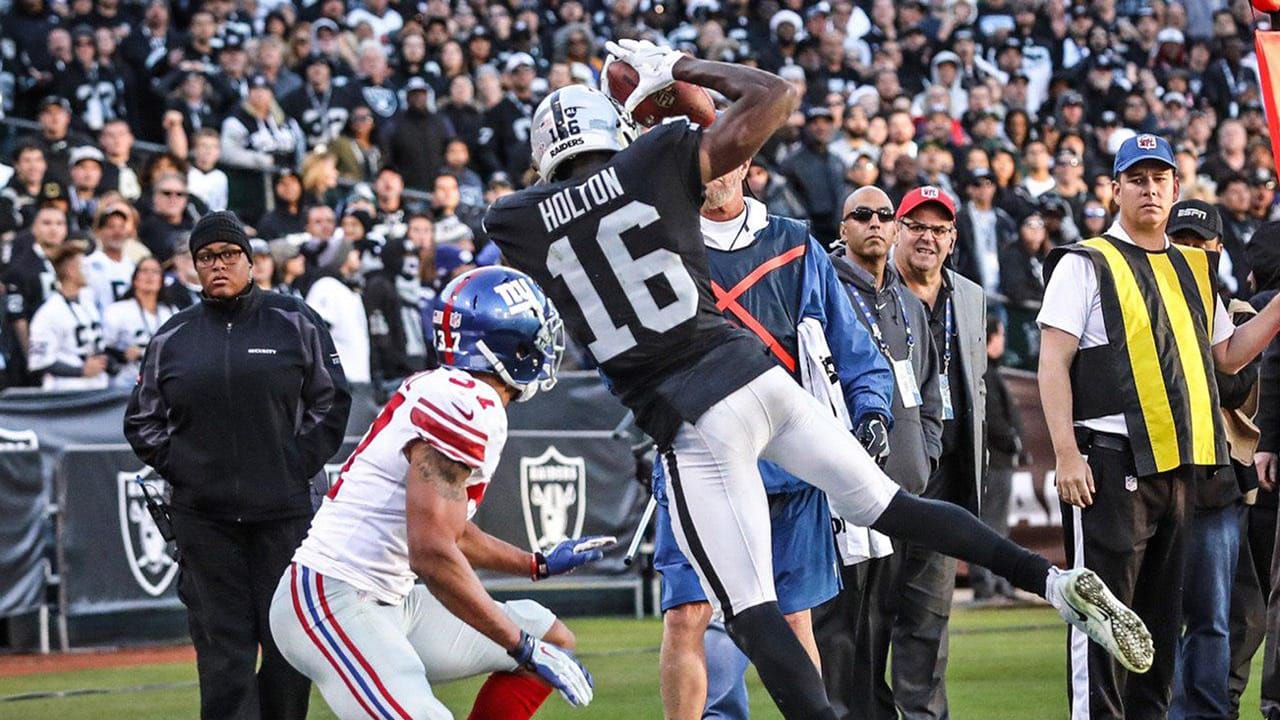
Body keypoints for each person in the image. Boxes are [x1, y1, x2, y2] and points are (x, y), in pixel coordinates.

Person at [486, 43, 1151, 718]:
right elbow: (774, 97)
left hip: (693, 424)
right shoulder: (654, 165)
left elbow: (540, 206)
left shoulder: (513, 219)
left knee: (749, 611)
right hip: (763, 382)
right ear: (616, 133)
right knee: (893, 507)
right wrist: (682, 71)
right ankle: (1053, 580)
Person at [269, 266, 603, 720]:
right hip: (335, 596)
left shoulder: (456, 392)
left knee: (551, 639)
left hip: (391, 599)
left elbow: (451, 532)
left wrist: (535, 564)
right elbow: (429, 551)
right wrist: (519, 647)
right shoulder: (464, 404)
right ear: (511, 341)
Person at [1038, 134, 1280, 720]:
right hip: (1110, 461)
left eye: (1160, 179)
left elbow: (1227, 355)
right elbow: (1053, 361)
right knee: (1102, 624)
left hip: (1181, 468)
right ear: (1115, 188)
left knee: (1157, 633)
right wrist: (1067, 454)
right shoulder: (1084, 262)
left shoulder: (1195, 269)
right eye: (1137, 179)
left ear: (1176, 187)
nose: (1150, 189)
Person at [652, 161, 893, 720]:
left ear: (748, 165)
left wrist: (872, 411)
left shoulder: (795, 243)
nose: (709, 169)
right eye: (698, 157)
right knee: (686, 613)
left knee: (793, 618)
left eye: (722, 155)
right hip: (697, 461)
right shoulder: (660, 247)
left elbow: (853, 344)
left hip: (790, 464)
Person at [124, 211, 351, 720]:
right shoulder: (172, 337)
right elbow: (141, 420)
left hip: (286, 515)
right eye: (207, 257)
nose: (219, 265)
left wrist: (294, 463)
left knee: (289, 650)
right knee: (222, 655)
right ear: (193, 268)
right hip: (204, 521)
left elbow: (333, 400)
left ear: (251, 262)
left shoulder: (295, 321)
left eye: (229, 255)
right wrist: (188, 469)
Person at [815, 185, 945, 720]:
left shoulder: (910, 304)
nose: (874, 222)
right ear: (843, 227)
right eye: (861, 214)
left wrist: (927, 455)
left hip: (903, 495)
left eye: (884, 215)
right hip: (844, 502)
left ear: (894, 229)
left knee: (892, 633)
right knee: (843, 640)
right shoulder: (820, 291)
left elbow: (931, 390)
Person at [887, 185, 990, 720]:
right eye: (916, 225)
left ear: (953, 238)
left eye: (939, 228)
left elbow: (977, 389)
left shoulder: (969, 297)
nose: (927, 236)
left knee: (928, 628)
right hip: (879, 485)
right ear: (895, 232)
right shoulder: (867, 289)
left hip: (944, 486)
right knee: (862, 629)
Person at [1164, 199, 1260, 720]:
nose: (1193, 252)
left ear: (1219, 248)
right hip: (1157, 478)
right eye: (1183, 241)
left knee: (1212, 618)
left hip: (1215, 485)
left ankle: (1203, 713)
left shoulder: (1235, 309)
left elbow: (1232, 379)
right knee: (1155, 615)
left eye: (1202, 243)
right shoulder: (1145, 298)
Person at [971, 315, 1024, 602]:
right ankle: (986, 584)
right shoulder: (985, 376)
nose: (1003, 341)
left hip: (1000, 460)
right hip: (994, 460)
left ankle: (1000, 581)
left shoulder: (991, 373)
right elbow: (992, 419)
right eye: (1000, 336)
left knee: (998, 524)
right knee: (990, 524)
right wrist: (1012, 441)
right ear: (990, 339)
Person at [27, 241, 109, 391]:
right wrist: (81, 371)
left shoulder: (88, 304)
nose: (89, 272)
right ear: (71, 270)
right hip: (65, 395)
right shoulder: (49, 312)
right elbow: (40, 362)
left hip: (97, 389)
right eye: (84, 267)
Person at [102, 257, 176, 388]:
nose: (150, 276)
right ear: (135, 279)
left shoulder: (170, 312)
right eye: (144, 271)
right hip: (126, 385)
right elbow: (102, 349)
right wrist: (123, 355)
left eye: (155, 272)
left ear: (161, 280)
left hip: (163, 384)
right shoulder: (117, 310)